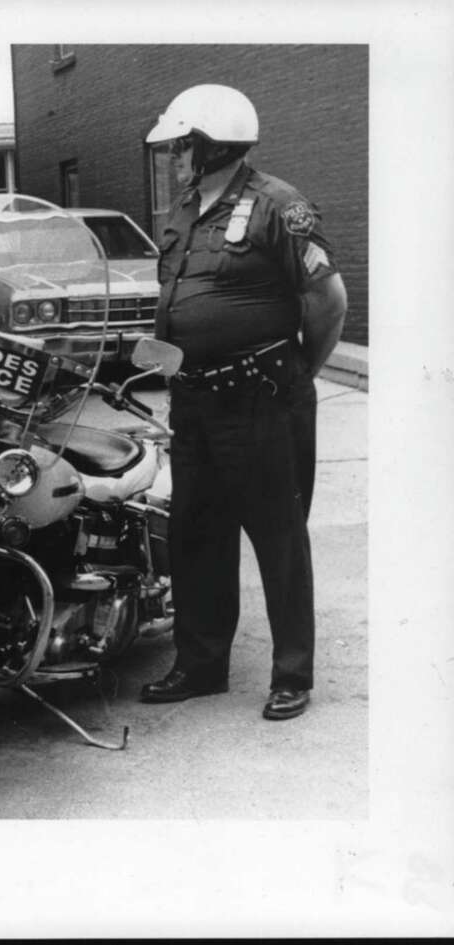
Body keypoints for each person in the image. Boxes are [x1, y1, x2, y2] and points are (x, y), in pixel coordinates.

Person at [138, 85, 347, 721]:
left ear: (206, 146)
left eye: (179, 147)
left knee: (278, 536)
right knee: (196, 535)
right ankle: (201, 665)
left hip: (261, 400)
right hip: (195, 403)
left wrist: (295, 372)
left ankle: (291, 675)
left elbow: (329, 301)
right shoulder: (182, 209)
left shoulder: (278, 206)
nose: (172, 157)